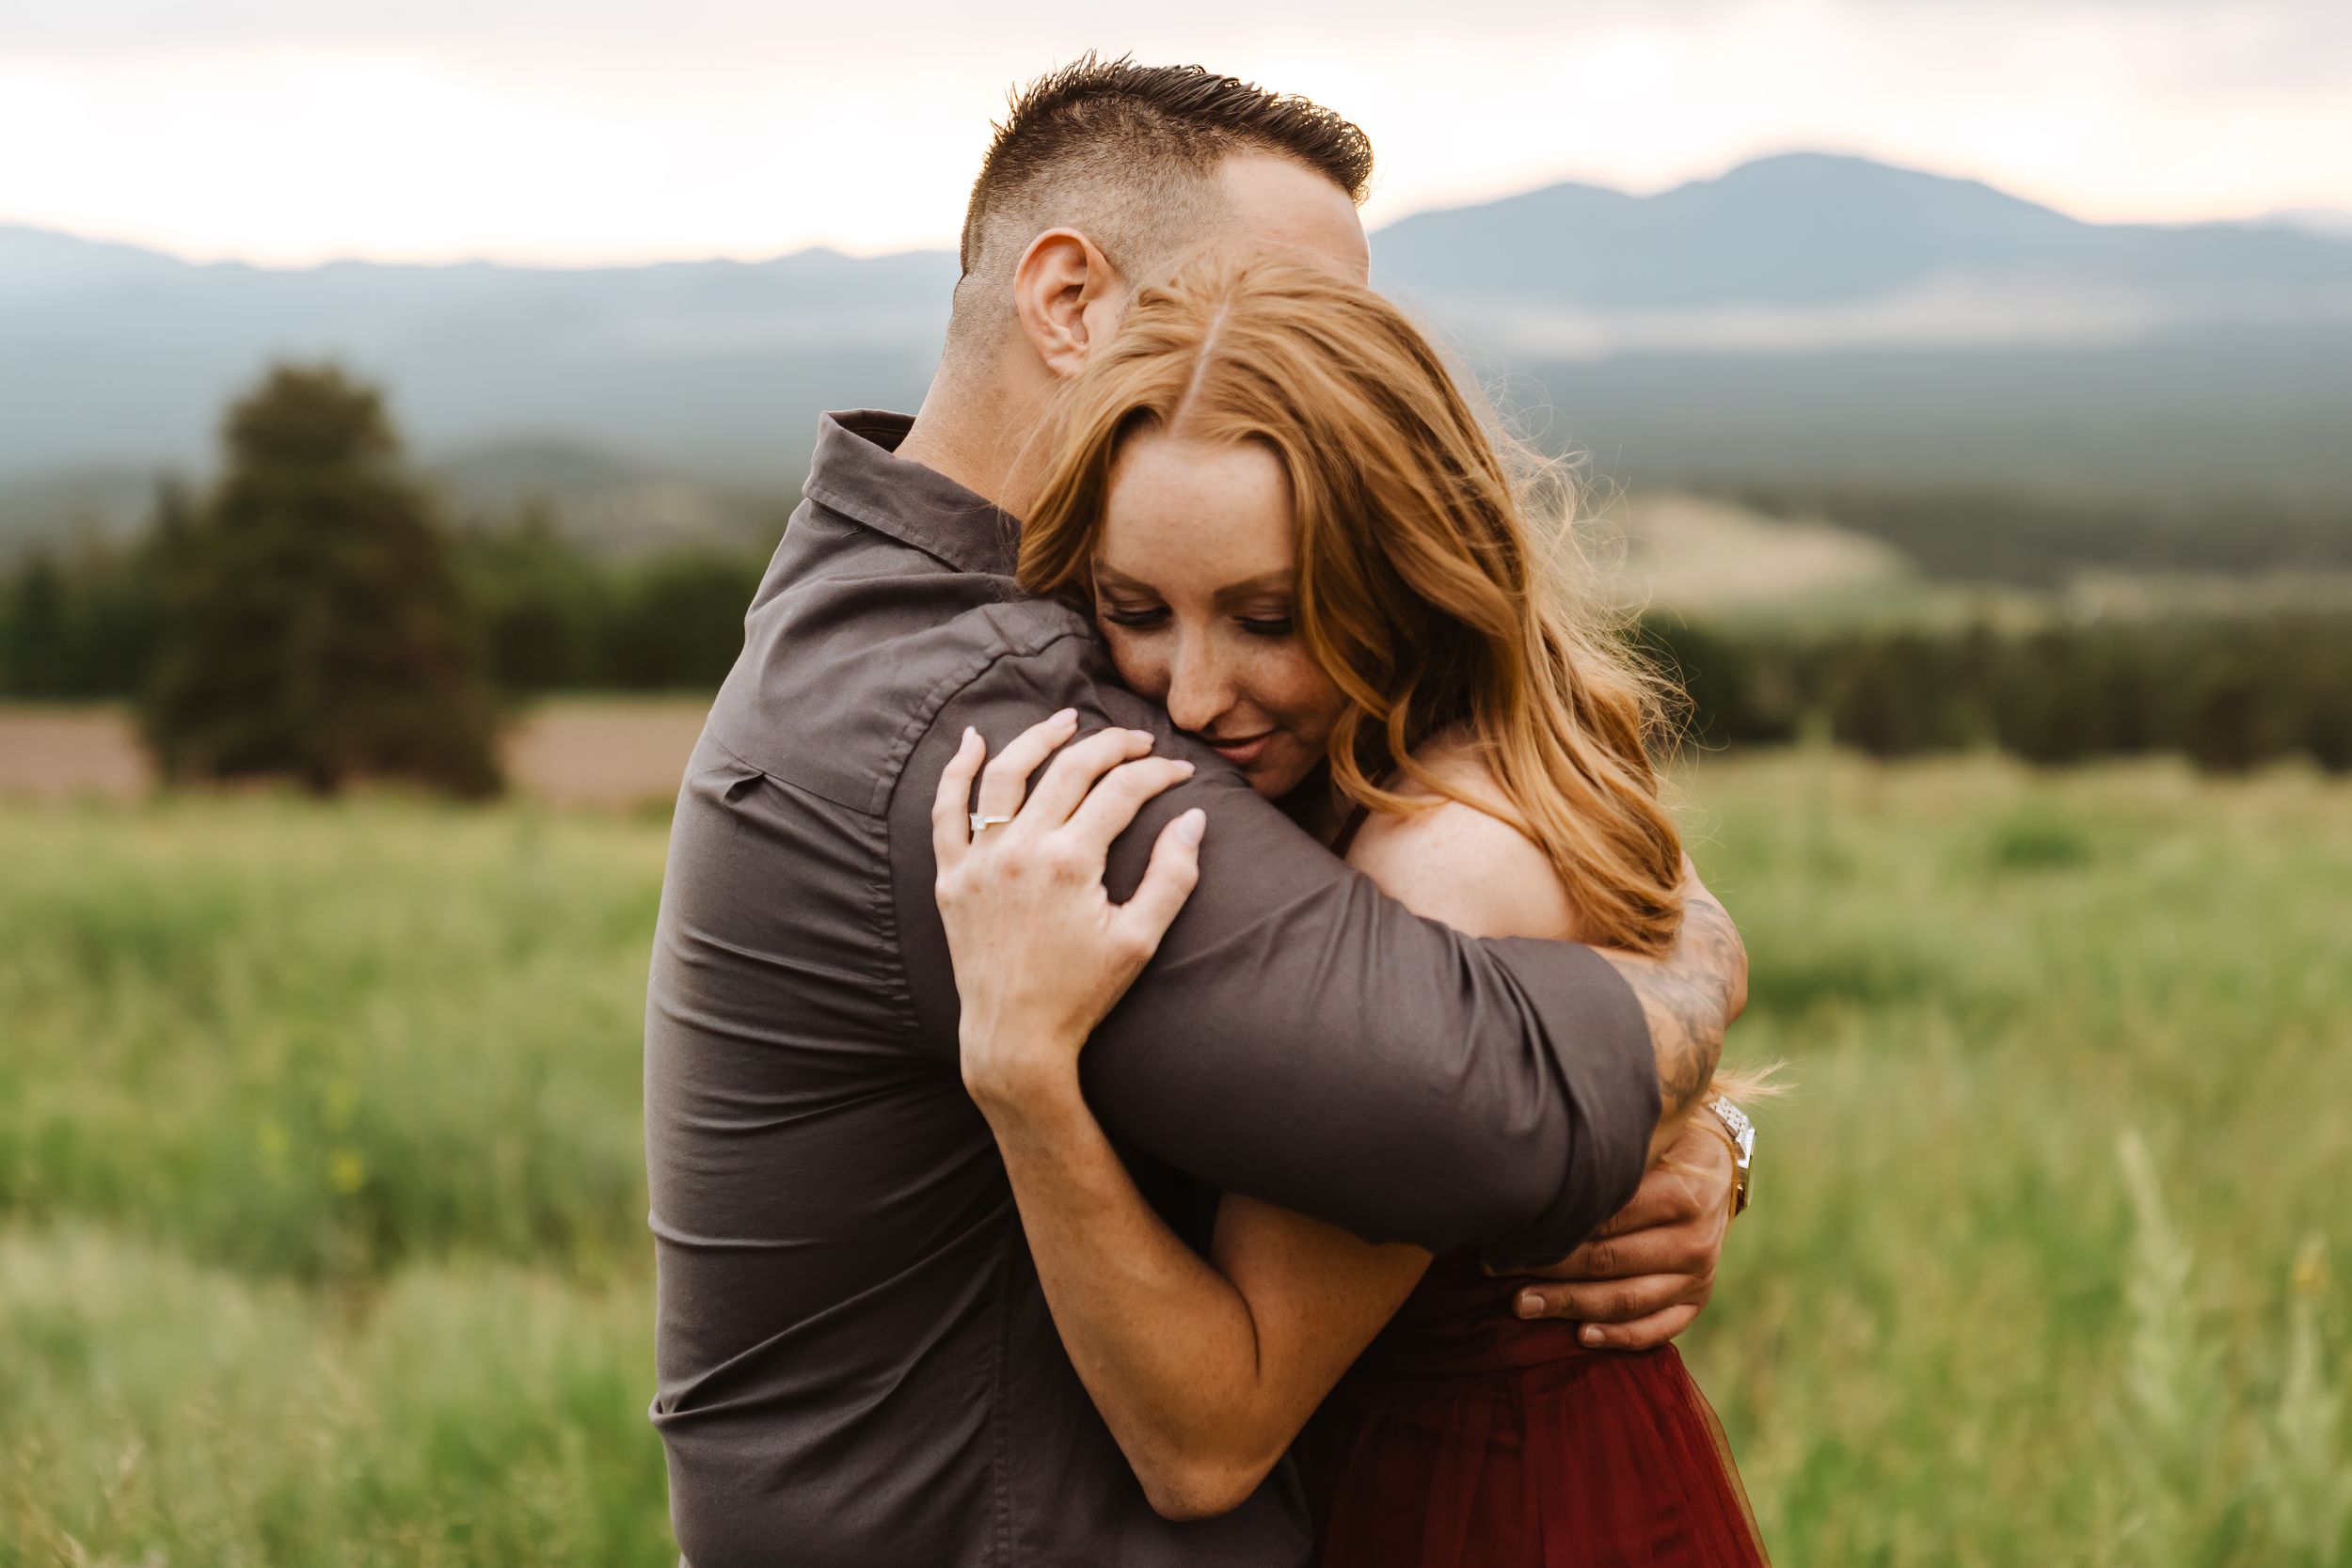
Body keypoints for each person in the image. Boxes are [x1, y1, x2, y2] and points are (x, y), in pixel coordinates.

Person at [642, 57, 1751, 1567]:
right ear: (1070, 299)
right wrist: (1696, 965)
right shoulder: (994, 715)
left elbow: (1444, 1063)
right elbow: (1482, 1108)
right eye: (1270, 303)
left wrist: (1692, 1126)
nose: (1300, 363)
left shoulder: (950, 636)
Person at [929, 250, 1771, 1566]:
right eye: (1135, 609)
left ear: (1408, 582)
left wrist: (1022, 1072)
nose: (1193, 694)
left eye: (1271, 618)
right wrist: (1702, 1119)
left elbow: (1207, 1441)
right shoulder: (1351, 774)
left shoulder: (1438, 860)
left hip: (1490, 1519)